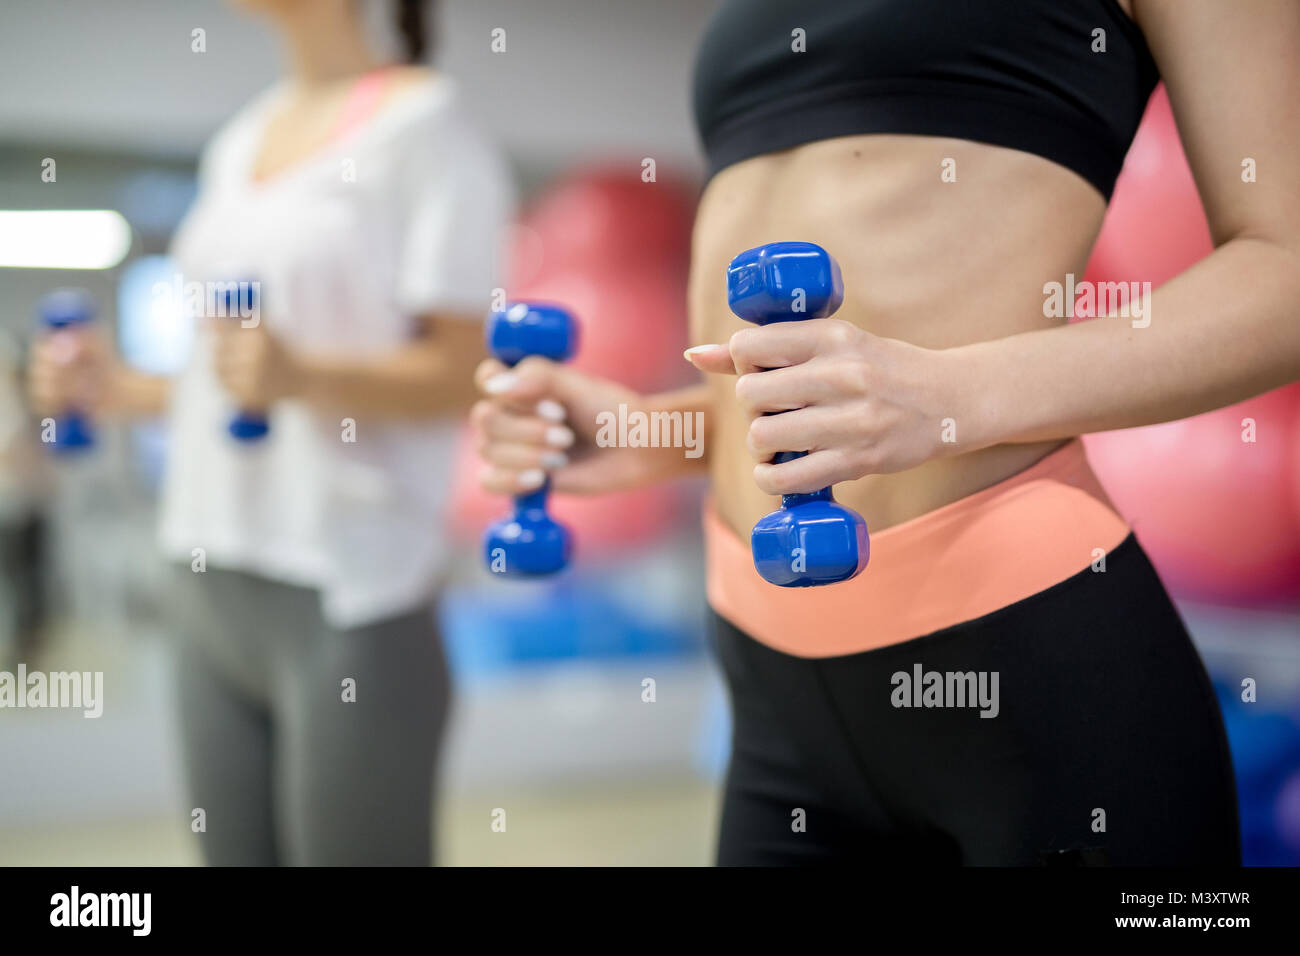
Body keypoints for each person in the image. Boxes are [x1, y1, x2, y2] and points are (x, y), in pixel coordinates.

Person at [472, 0, 1300, 865]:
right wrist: (656, 433)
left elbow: (1287, 274)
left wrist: (952, 396)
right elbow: (841, 372)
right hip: (771, 689)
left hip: (1029, 672)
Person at [28, 0, 513, 865]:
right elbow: (222, 386)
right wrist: (114, 385)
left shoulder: (426, 124)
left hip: (347, 588)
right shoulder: (242, 138)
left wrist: (306, 376)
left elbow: (466, 372)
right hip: (208, 569)